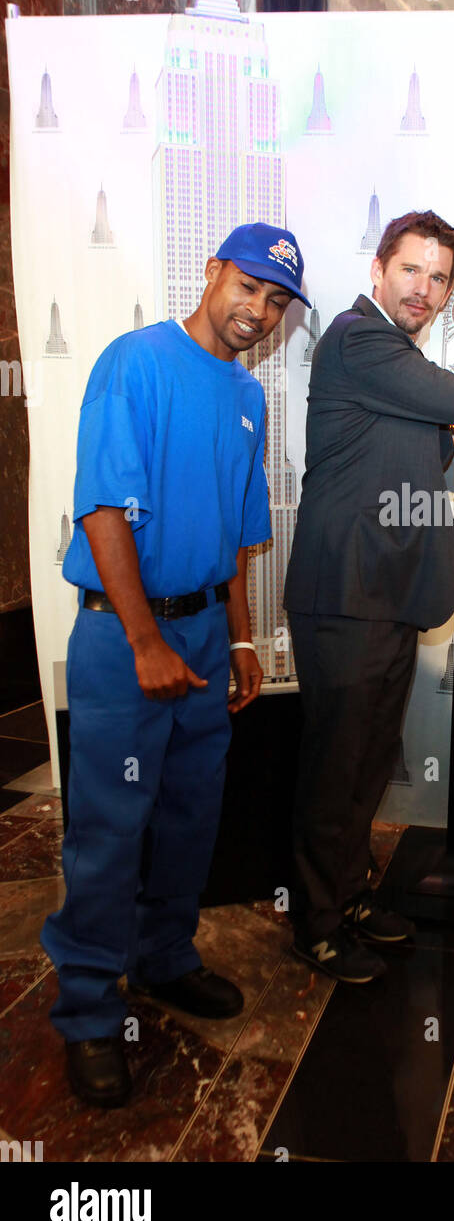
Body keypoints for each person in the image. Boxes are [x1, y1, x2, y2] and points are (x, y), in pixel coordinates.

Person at [42, 222, 310, 1106]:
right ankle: (86, 1012)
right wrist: (145, 641)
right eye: (250, 288)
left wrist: (239, 637)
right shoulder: (137, 361)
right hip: (126, 639)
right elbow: (104, 512)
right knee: (110, 831)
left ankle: (164, 961)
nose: (259, 312)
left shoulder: (248, 397)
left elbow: (239, 538)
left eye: (276, 303)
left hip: (202, 636)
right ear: (213, 273)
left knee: (193, 816)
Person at [285, 209, 454, 982]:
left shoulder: (396, 363)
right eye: (412, 270)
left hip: (388, 595)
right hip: (346, 595)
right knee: (335, 771)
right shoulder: (361, 340)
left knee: (362, 767)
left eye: (439, 277)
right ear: (378, 270)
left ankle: (348, 897)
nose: (424, 288)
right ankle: (314, 926)